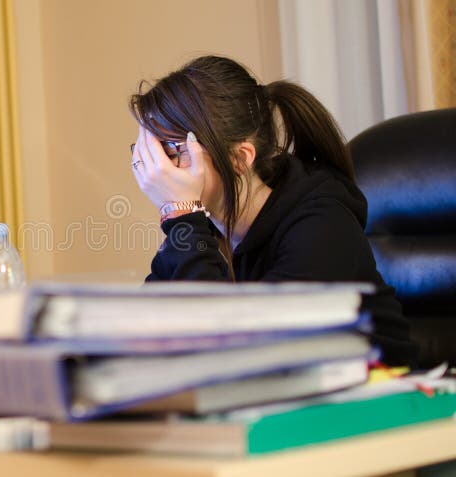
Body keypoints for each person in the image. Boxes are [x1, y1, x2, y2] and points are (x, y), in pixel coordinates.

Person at [129, 55, 417, 366]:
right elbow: (145, 331)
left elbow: (239, 351)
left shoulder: (321, 223)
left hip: (383, 399)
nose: (157, 171)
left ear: (240, 158)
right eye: (151, 152)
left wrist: (181, 213)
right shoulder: (201, 230)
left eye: (171, 152)